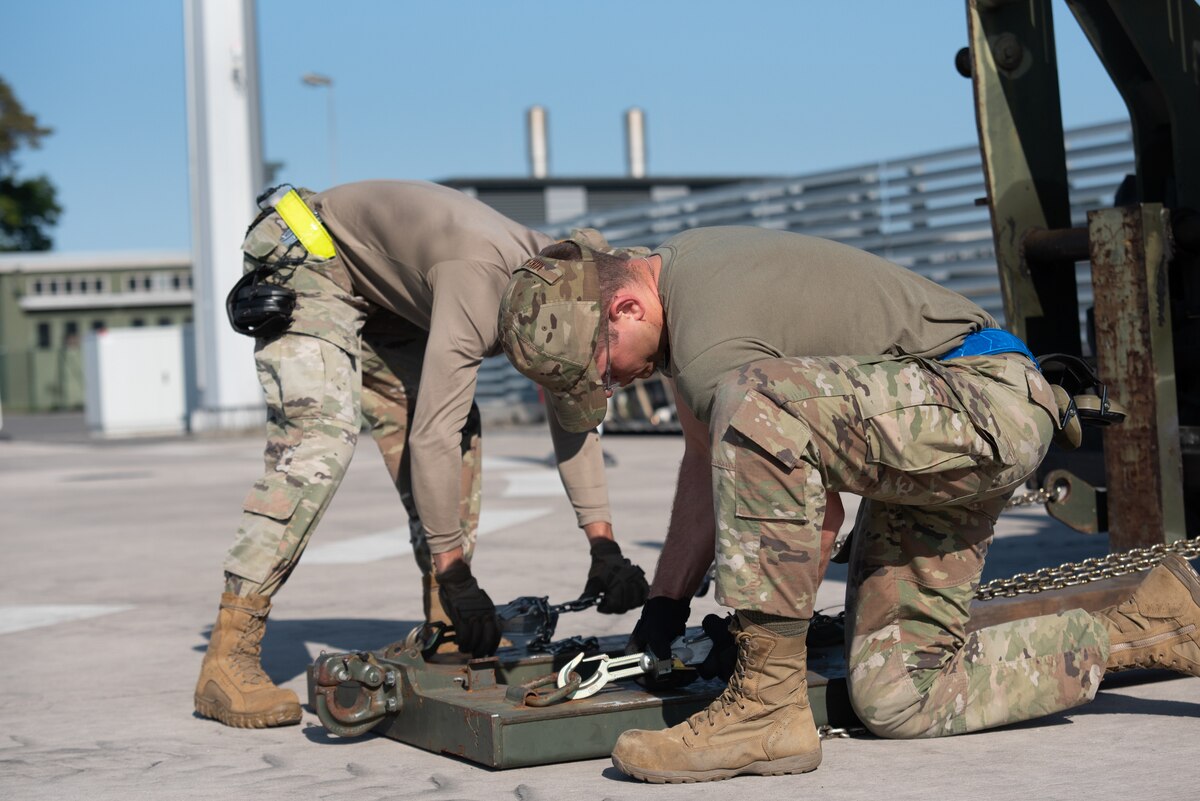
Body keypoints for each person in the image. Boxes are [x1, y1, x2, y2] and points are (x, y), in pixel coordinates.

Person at [497, 225, 1200, 782]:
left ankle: (766, 711)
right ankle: (1156, 625)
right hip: (931, 429)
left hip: (981, 396)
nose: (614, 383)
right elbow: (707, 463)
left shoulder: (710, 335)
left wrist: (769, 612)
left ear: (625, 307)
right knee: (900, 694)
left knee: (755, 404)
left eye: (603, 367)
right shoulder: (685, 295)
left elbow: (808, 503)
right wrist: (665, 608)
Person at [194, 181, 649, 729]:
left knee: (460, 439)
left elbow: (572, 418)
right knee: (322, 437)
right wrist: (456, 572)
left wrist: (603, 543)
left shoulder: (562, 295)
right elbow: (431, 433)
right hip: (313, 250)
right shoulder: (479, 289)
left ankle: (445, 629)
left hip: (387, 291)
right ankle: (229, 656)